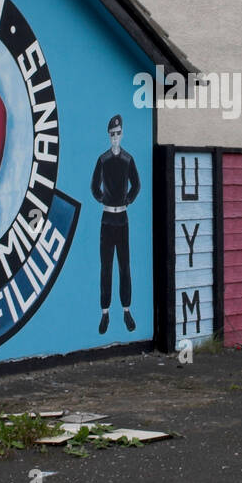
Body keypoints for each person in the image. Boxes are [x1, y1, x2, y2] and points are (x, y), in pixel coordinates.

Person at [90, 114, 139, 334]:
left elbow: (136, 184)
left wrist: (127, 199)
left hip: (122, 219)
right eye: (112, 134)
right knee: (106, 268)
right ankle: (105, 313)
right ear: (108, 136)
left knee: (124, 267)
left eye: (118, 133)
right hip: (107, 219)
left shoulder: (128, 159)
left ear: (122, 133)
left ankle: (126, 310)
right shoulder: (103, 160)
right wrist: (103, 199)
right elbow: (94, 186)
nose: (115, 137)